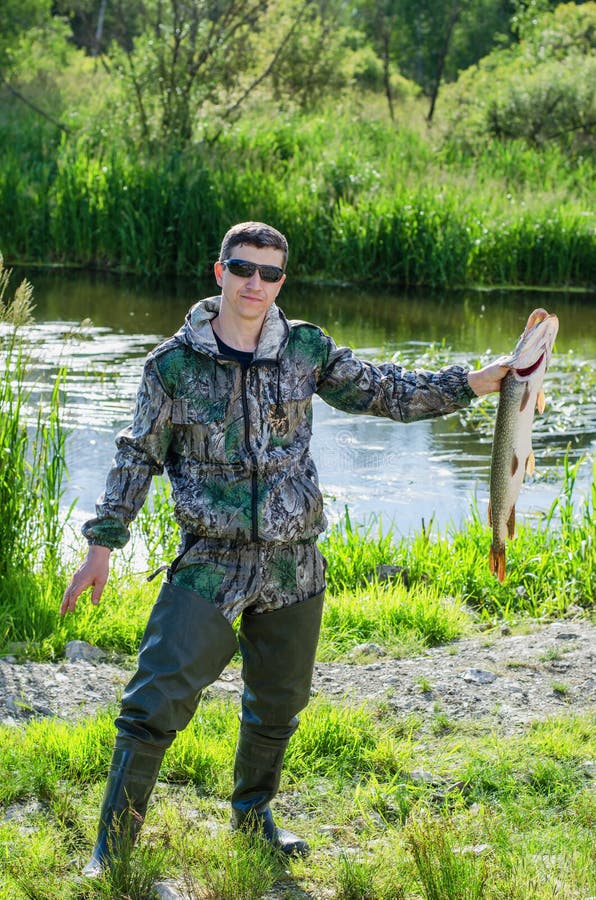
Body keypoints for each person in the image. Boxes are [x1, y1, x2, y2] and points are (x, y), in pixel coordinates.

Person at [61, 221, 508, 875]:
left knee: (278, 705)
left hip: (293, 561)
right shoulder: (172, 365)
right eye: (243, 269)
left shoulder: (305, 350)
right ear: (220, 272)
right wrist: (103, 543)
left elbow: (386, 392)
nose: (255, 284)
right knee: (153, 702)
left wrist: (475, 382)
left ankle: (252, 820)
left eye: (270, 274)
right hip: (211, 562)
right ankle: (113, 847)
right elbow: (138, 454)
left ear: (282, 282)